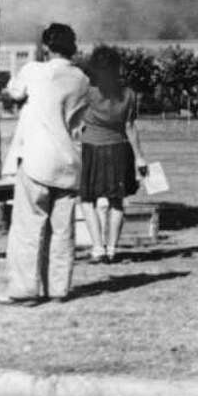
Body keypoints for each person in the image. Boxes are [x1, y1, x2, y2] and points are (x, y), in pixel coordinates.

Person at [0, 23, 89, 307]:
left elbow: (13, 93)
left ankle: (24, 290)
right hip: (70, 160)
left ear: (45, 47)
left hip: (37, 158)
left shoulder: (34, 70)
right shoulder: (82, 79)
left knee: (28, 227)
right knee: (62, 229)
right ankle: (58, 288)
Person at [78, 46, 148, 264]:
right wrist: (139, 157)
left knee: (87, 199)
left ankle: (98, 248)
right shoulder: (129, 95)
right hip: (119, 150)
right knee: (117, 201)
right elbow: (130, 127)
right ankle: (112, 250)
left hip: (90, 149)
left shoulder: (87, 92)